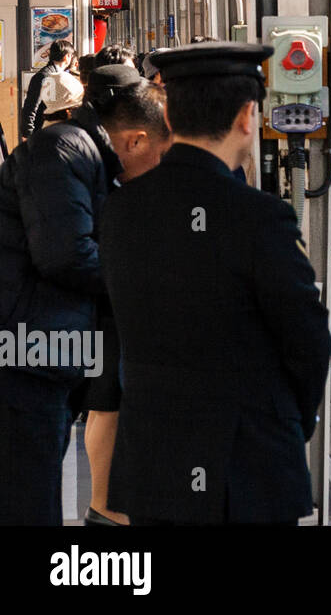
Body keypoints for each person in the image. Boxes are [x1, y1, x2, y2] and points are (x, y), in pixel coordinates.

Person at [99, 42, 330, 525]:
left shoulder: (121, 208)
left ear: (169, 113)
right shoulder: (259, 217)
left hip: (153, 465)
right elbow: (308, 342)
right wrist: (290, 423)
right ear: (248, 116)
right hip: (243, 468)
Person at [0, 66, 167, 524]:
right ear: (133, 140)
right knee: (26, 496)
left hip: (48, 348)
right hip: (23, 355)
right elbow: (66, 254)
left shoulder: (90, 159)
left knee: (33, 486)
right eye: (158, 157)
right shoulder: (63, 151)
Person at [76, 67, 171, 527]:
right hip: (109, 303)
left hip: (103, 304)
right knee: (109, 402)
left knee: (105, 404)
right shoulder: (96, 157)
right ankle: (106, 507)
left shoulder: (89, 148)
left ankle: (104, 505)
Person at [20, 39, 75, 138]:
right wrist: (29, 134)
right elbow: (31, 107)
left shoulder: (55, 75)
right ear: (67, 57)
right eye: (71, 56)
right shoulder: (45, 76)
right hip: (41, 133)